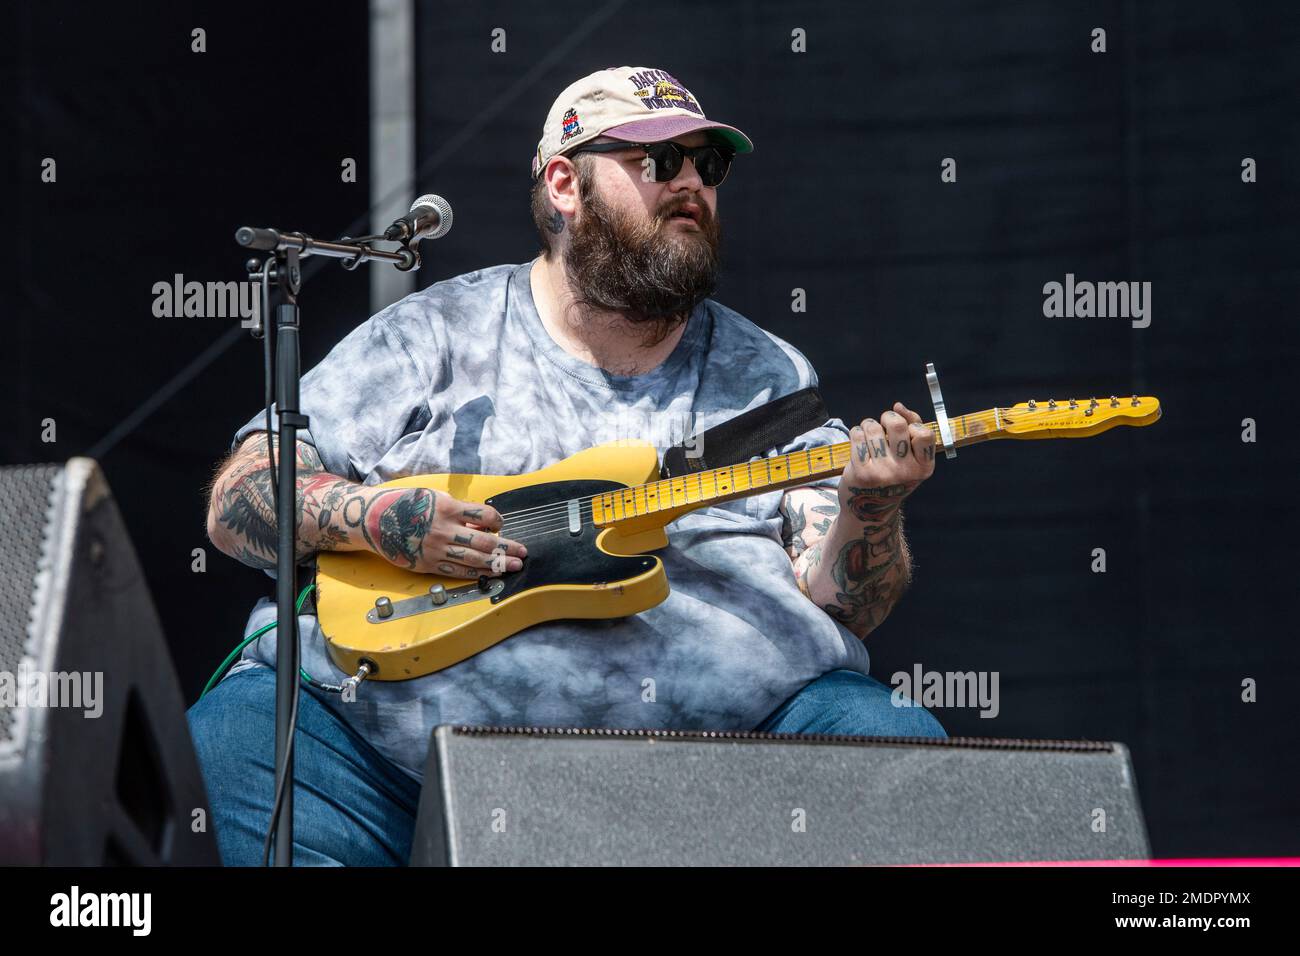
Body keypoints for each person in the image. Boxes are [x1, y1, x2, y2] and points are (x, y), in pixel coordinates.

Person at [187, 65, 946, 867]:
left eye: (708, 166)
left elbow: (848, 603)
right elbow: (241, 494)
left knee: (890, 741)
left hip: (721, 762)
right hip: (397, 765)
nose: (691, 183)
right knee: (236, 739)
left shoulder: (768, 376)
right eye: (658, 162)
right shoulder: (437, 334)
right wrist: (381, 521)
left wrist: (872, 509)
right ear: (564, 184)